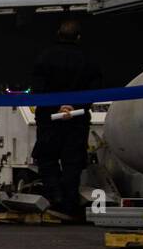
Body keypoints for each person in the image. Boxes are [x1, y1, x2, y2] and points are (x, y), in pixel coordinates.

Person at [30, 18, 101, 219]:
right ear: (78, 37)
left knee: (47, 158)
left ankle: (54, 196)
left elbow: (38, 88)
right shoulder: (88, 59)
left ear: (58, 35)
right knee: (73, 162)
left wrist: (57, 106)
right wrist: (75, 106)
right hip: (77, 119)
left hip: (49, 117)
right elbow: (95, 89)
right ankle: (70, 203)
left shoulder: (45, 57)